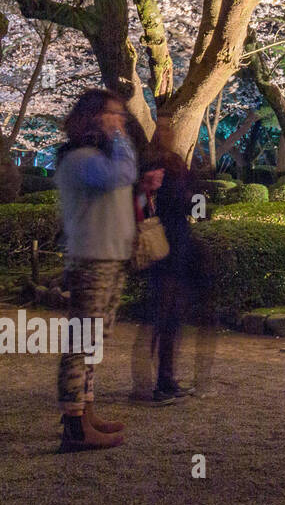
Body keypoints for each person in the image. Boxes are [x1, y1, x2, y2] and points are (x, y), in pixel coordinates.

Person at [53, 89, 137, 452]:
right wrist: (119, 138)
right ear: (93, 118)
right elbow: (122, 174)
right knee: (81, 344)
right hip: (92, 260)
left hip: (107, 257)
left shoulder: (95, 157)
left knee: (92, 344)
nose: (120, 121)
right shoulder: (81, 158)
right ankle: (74, 424)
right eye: (113, 115)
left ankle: (86, 412)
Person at [131, 150, 202, 404]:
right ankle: (159, 382)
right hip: (171, 256)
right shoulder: (170, 177)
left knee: (163, 320)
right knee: (166, 320)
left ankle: (159, 380)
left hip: (164, 255)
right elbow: (197, 211)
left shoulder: (154, 172)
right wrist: (197, 193)